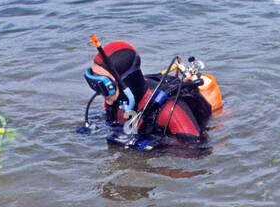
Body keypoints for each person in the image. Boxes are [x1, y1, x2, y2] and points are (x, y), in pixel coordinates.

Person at [84, 40, 212, 147]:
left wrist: (146, 144)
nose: (100, 93)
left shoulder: (169, 110)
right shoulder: (113, 101)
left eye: (104, 86)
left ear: (125, 82)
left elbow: (197, 149)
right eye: (93, 83)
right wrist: (94, 129)